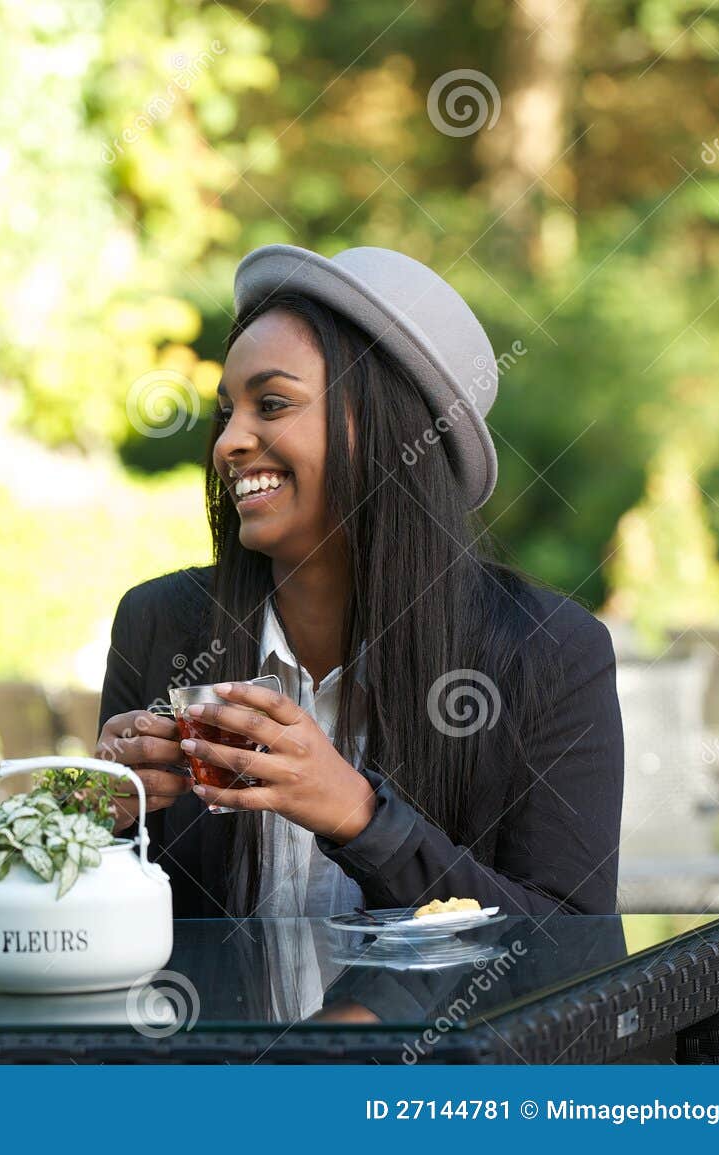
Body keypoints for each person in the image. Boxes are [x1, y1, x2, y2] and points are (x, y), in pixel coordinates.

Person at [97, 245, 623, 918]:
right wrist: (94, 817)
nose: (229, 440)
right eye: (226, 410)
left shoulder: (549, 654)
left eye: (273, 403)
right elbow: (100, 932)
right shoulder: (159, 625)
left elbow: (575, 947)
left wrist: (361, 816)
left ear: (388, 426)